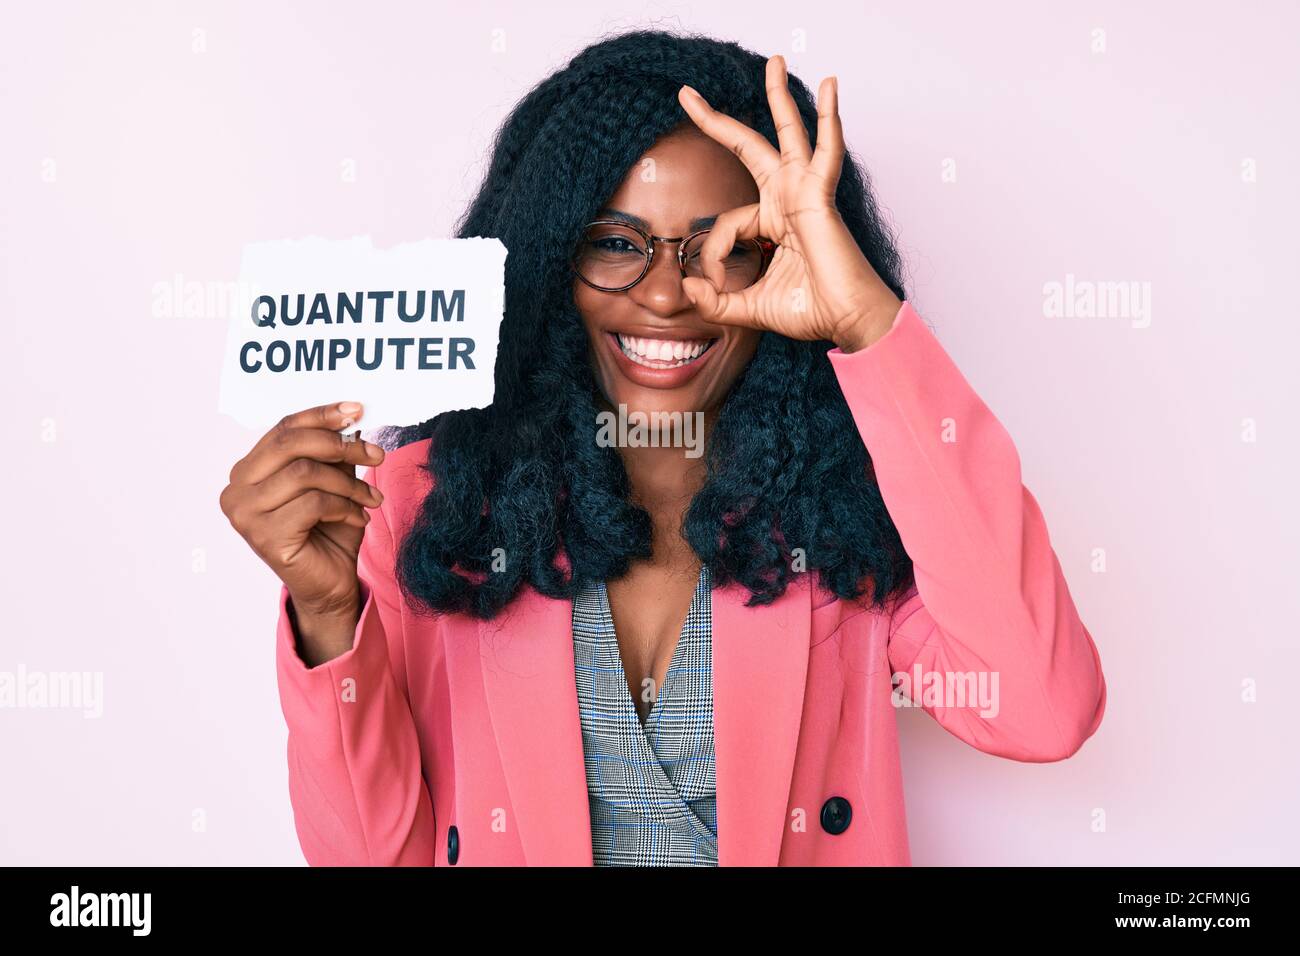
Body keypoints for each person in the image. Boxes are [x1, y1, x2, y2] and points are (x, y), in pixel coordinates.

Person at [219, 30, 1106, 866]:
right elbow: (375, 859)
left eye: (724, 246)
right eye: (614, 244)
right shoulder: (434, 502)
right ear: (548, 259)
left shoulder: (850, 511)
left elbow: (1039, 709)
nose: (668, 296)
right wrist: (328, 617)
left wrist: (868, 322)